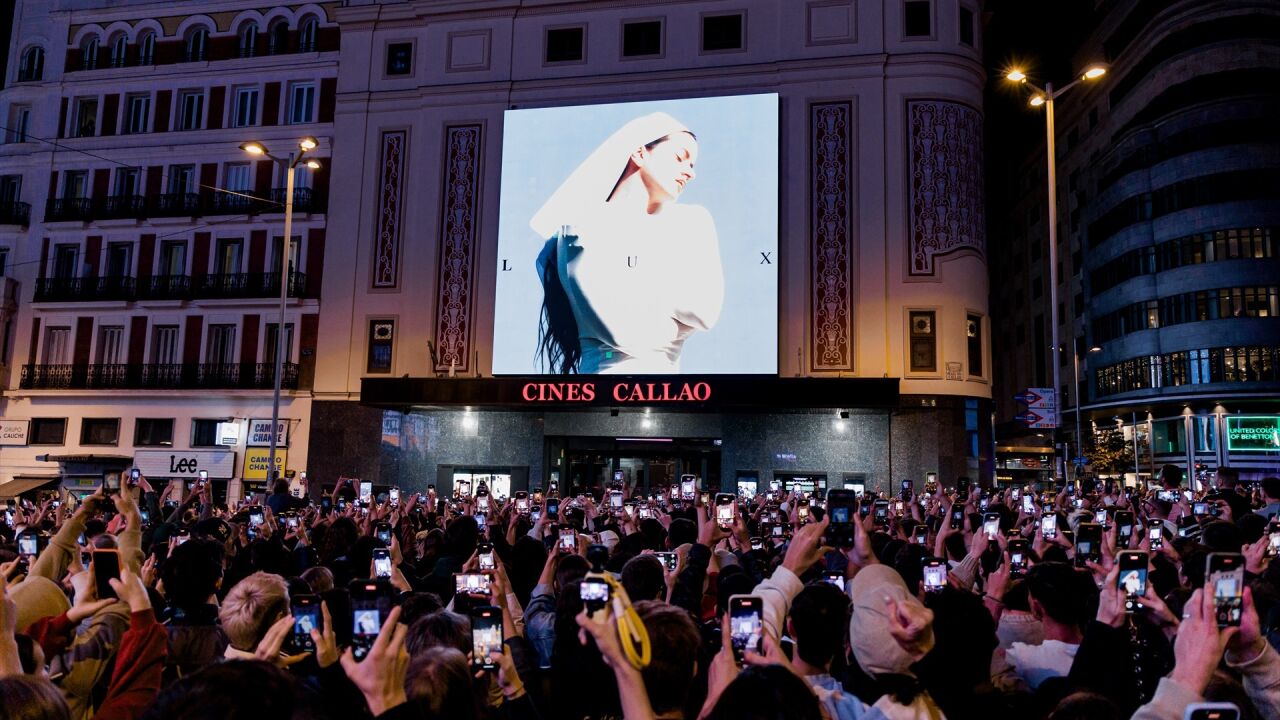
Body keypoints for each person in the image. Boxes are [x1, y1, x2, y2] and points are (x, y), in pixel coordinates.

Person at [531, 112, 724, 374]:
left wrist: (634, 285)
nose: (691, 173)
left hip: (670, 392)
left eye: (693, 165)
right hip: (599, 391)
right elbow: (622, 332)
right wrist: (673, 286)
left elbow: (704, 312)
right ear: (639, 154)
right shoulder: (580, 227)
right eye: (681, 158)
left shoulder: (692, 220)